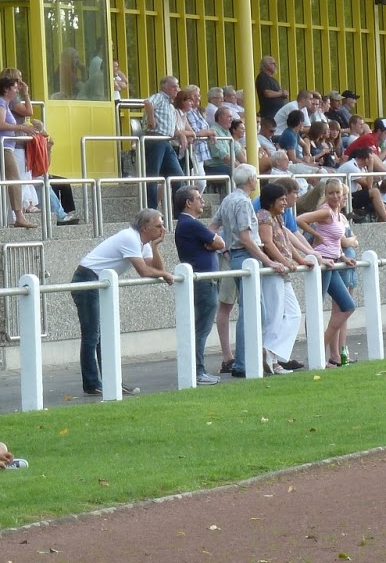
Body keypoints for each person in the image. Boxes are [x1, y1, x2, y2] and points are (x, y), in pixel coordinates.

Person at [71, 210, 172, 395]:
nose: (163, 229)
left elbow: (157, 268)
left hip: (98, 281)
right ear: (145, 227)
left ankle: (110, 381)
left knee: (103, 336)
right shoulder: (130, 238)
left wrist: (156, 248)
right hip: (87, 278)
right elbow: (144, 271)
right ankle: (92, 384)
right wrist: (165, 275)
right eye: (159, 226)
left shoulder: (143, 243)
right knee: (92, 335)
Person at [214, 164, 287, 378]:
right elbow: (246, 238)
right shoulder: (244, 202)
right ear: (251, 180)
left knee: (252, 310)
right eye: (255, 178)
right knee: (253, 311)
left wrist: (224, 249)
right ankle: (244, 363)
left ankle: (245, 361)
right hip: (246, 257)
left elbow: (213, 227)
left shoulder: (228, 199)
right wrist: (267, 260)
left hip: (236, 257)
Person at [298, 181, 359, 366]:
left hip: (333, 263)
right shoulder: (325, 212)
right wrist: (315, 235)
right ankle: (317, 352)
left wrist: (342, 256)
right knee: (316, 307)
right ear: (326, 193)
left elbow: (336, 239)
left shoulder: (337, 214)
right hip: (322, 263)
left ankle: (320, 347)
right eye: (331, 193)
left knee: (347, 306)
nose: (335, 196)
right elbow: (300, 220)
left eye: (338, 193)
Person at [253, 180, 311, 373]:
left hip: (283, 272)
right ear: (271, 201)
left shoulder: (278, 217)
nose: (285, 203)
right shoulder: (264, 216)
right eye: (282, 199)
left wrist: (300, 260)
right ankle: (272, 359)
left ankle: (270, 352)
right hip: (274, 272)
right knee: (275, 315)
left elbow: (287, 242)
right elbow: (268, 243)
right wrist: (285, 262)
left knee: (293, 314)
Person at [174, 187, 226, 385]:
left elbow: (217, 242)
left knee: (200, 328)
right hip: (203, 282)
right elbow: (220, 243)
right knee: (201, 329)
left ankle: (197, 369)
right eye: (198, 198)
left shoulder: (189, 224)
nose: (203, 202)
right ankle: (197, 371)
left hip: (205, 281)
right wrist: (213, 243)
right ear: (188, 203)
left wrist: (212, 243)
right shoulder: (190, 224)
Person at [0, 74, 41, 227]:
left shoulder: (4, 104)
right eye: (14, 87)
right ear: (6, 89)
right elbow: (0, 124)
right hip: (2, 147)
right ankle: (19, 216)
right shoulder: (0, 103)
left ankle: (11, 217)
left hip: (5, 147)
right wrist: (21, 127)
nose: (17, 90)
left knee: (9, 181)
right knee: (14, 179)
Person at [143, 74, 187, 209]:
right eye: (174, 86)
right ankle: (152, 208)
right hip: (155, 140)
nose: (177, 89)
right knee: (153, 176)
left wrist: (181, 135)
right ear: (165, 87)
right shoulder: (160, 97)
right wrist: (151, 119)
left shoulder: (171, 106)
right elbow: (147, 102)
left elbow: (171, 129)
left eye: (178, 86)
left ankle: (179, 210)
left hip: (166, 141)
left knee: (178, 176)